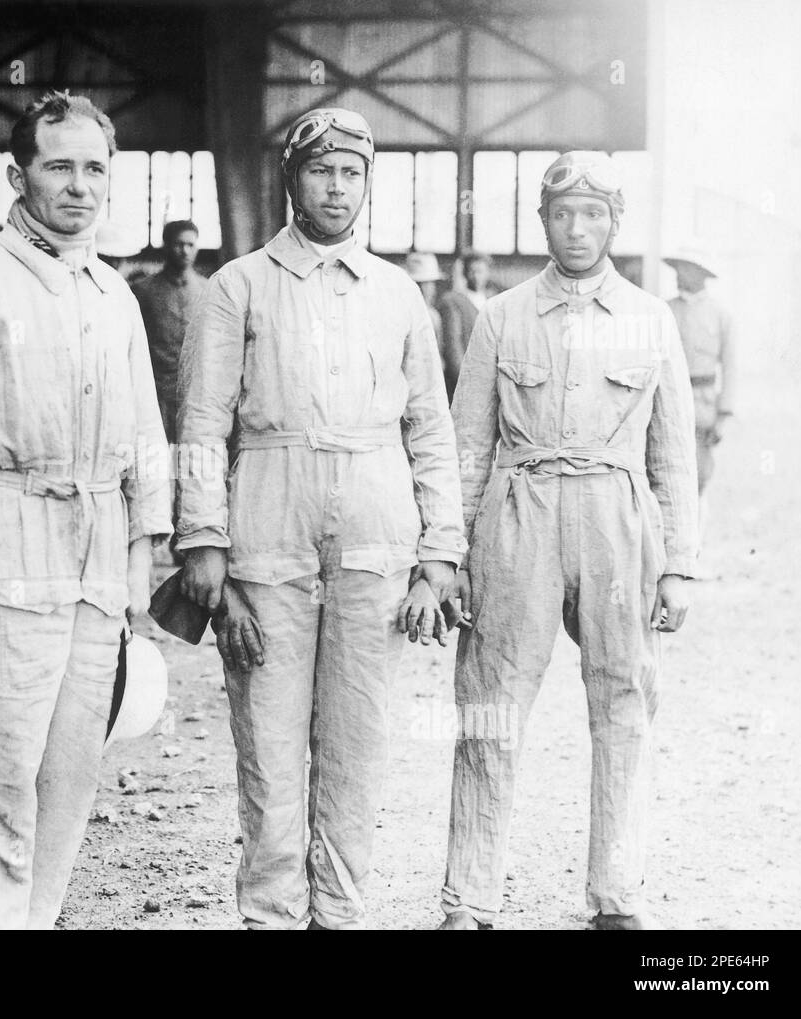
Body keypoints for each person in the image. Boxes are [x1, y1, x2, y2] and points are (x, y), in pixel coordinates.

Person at [175, 108, 466, 930]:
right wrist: (203, 541)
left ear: (368, 185)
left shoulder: (398, 292)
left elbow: (431, 431)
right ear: (291, 180)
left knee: (358, 742)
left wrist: (440, 552)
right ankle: (270, 915)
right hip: (267, 521)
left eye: (351, 173)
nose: (336, 188)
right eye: (320, 171)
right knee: (268, 741)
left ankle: (340, 914)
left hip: (378, 533)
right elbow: (201, 424)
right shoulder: (237, 285)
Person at [0, 90, 171, 930]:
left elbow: (146, 435)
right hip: (7, 532)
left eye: (94, 167)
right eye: (57, 166)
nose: (78, 185)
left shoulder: (114, 294)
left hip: (97, 554)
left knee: (71, 773)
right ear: (17, 173)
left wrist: (142, 556)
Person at [439, 151, 698, 931]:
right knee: (489, 703)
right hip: (518, 516)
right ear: (542, 221)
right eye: (562, 213)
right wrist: (448, 554)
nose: (577, 228)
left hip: (617, 521)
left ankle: (617, 894)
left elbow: (673, 454)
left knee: (623, 702)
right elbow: (466, 447)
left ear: (614, 222)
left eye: (592, 214)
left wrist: (679, 565)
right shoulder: (501, 316)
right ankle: (470, 896)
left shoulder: (654, 319)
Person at [665, 250, 735, 496]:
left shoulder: (720, 314)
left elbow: (730, 367)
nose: (678, 275)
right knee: (667, 471)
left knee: (700, 474)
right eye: (676, 269)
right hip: (670, 400)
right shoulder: (665, 310)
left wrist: (723, 416)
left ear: (701, 275)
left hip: (703, 405)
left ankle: (695, 530)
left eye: (685, 270)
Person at [132, 220, 208, 442]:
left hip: (196, 393)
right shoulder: (143, 291)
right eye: (178, 244)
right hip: (155, 392)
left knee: (193, 458)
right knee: (158, 458)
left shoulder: (208, 289)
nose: (184, 250)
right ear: (166, 246)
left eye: (190, 245)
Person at [437, 251, 496, 401]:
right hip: (466, 381)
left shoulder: (494, 300)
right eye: (472, 271)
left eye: (480, 271)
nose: (476, 276)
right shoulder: (453, 301)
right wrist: (465, 383)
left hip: (490, 377)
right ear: (465, 273)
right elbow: (453, 346)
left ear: (488, 272)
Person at [404, 250, 445, 341]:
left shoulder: (434, 316)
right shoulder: (402, 315)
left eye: (428, 284)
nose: (423, 289)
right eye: (418, 284)